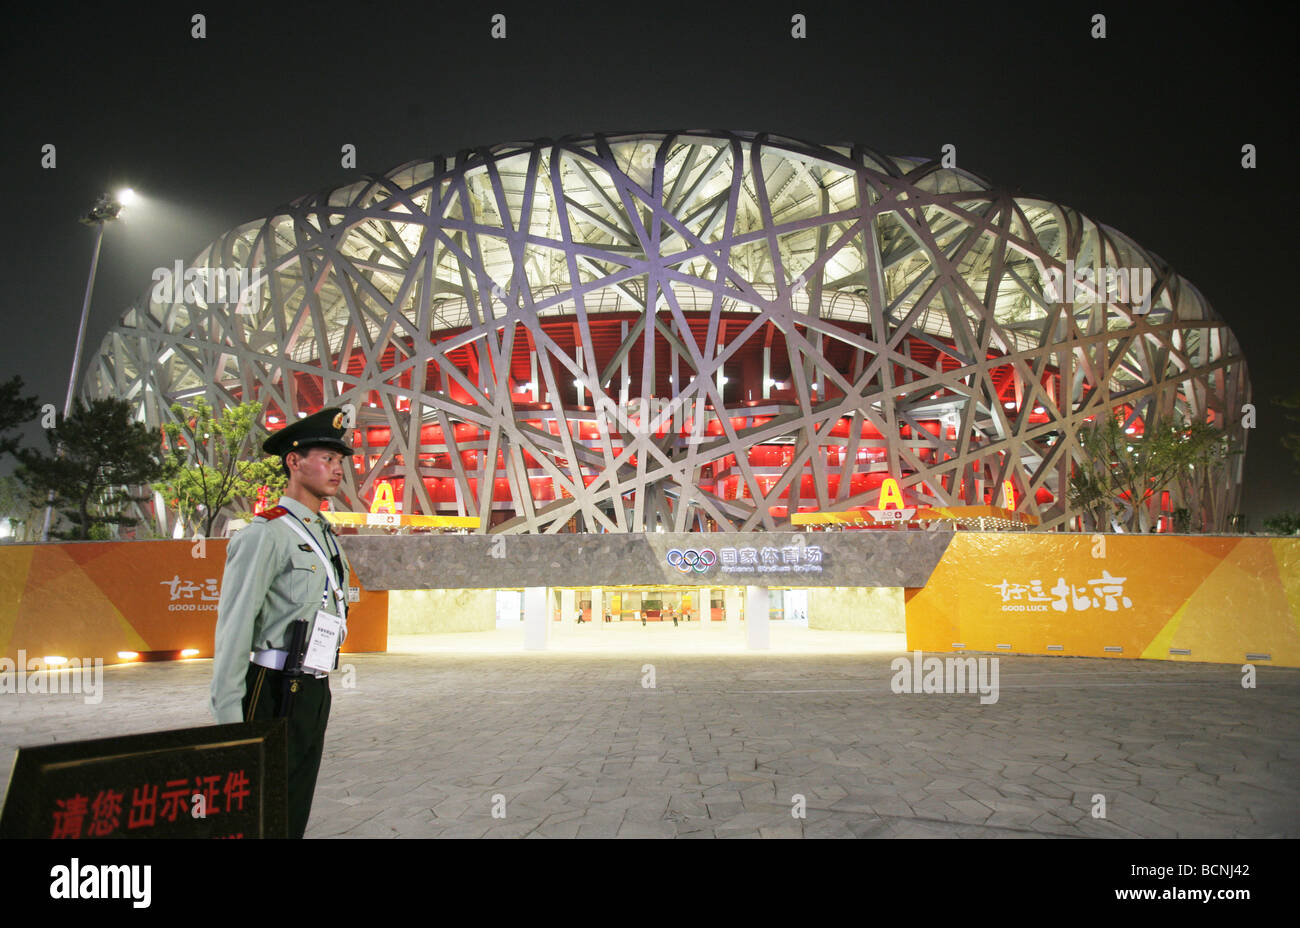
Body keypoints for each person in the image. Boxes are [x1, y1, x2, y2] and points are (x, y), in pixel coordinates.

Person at [210, 406, 354, 839]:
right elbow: (234, 627)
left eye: (340, 461)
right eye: (326, 459)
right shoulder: (266, 534)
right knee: (260, 812)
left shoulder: (326, 536)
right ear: (294, 462)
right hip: (272, 689)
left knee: (293, 808)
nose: (337, 470)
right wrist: (229, 723)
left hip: (313, 688)